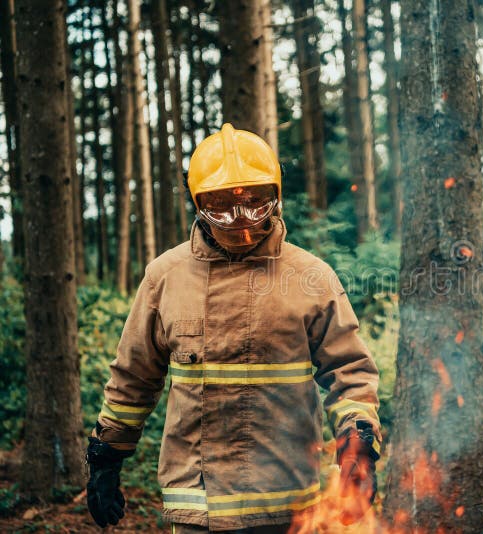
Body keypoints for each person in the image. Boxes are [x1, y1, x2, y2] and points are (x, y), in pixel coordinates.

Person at [85, 123, 381, 533]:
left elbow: (351, 374)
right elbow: (133, 378)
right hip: (197, 506)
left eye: (253, 203)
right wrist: (106, 456)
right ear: (197, 203)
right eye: (222, 206)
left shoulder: (311, 277)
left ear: (275, 199)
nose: (239, 220)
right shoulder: (164, 278)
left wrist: (357, 448)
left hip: (287, 506)